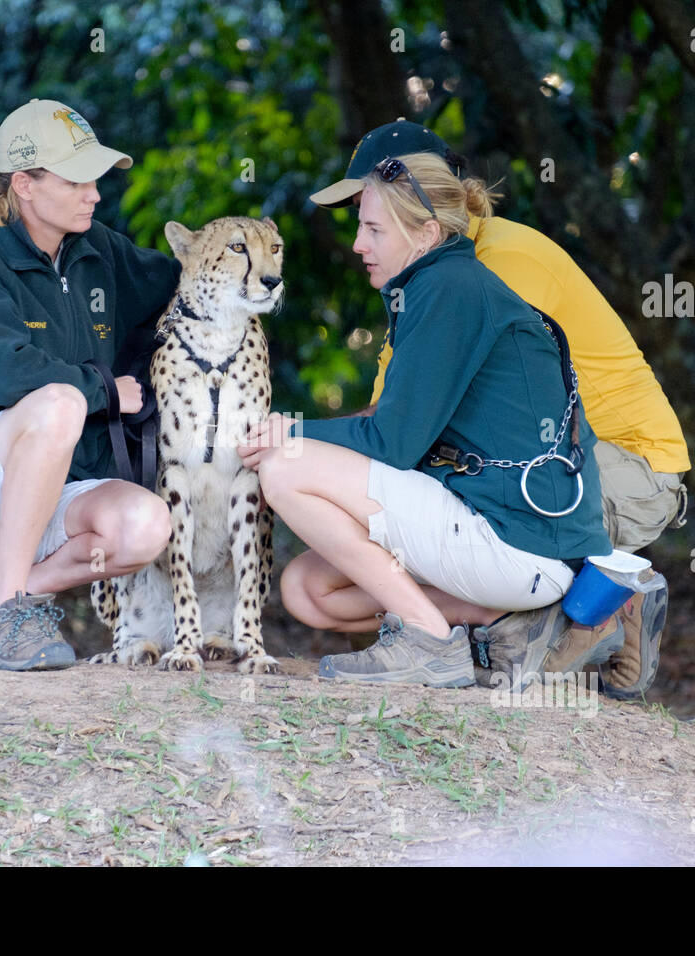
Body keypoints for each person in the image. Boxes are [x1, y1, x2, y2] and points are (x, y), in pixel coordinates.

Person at [287, 120, 691, 698]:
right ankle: (487, 628)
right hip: (499, 474)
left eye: (371, 211)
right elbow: (387, 416)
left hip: (619, 469)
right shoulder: (423, 279)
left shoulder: (491, 266)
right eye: (359, 209)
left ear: (424, 205)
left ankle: (592, 608)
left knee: (418, 542)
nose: (360, 232)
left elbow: (412, 436)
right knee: (312, 586)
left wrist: (285, 445)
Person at [238, 150, 612, 689]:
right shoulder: (439, 283)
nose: (358, 245)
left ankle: (429, 640)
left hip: (522, 543)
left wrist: (289, 429)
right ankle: (503, 624)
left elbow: (392, 442)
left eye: (373, 229)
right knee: (307, 590)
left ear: (426, 234)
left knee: (282, 466)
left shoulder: (451, 288)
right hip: (517, 549)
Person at [0, 99, 180, 671]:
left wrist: (243, 258)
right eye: (77, 180)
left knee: (148, 526)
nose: (94, 194)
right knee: (59, 403)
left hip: (57, 490)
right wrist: (104, 390)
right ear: (23, 185)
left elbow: (184, 284)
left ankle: (16, 598)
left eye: (95, 180)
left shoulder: (99, 250)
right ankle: (6, 612)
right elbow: (0, 373)